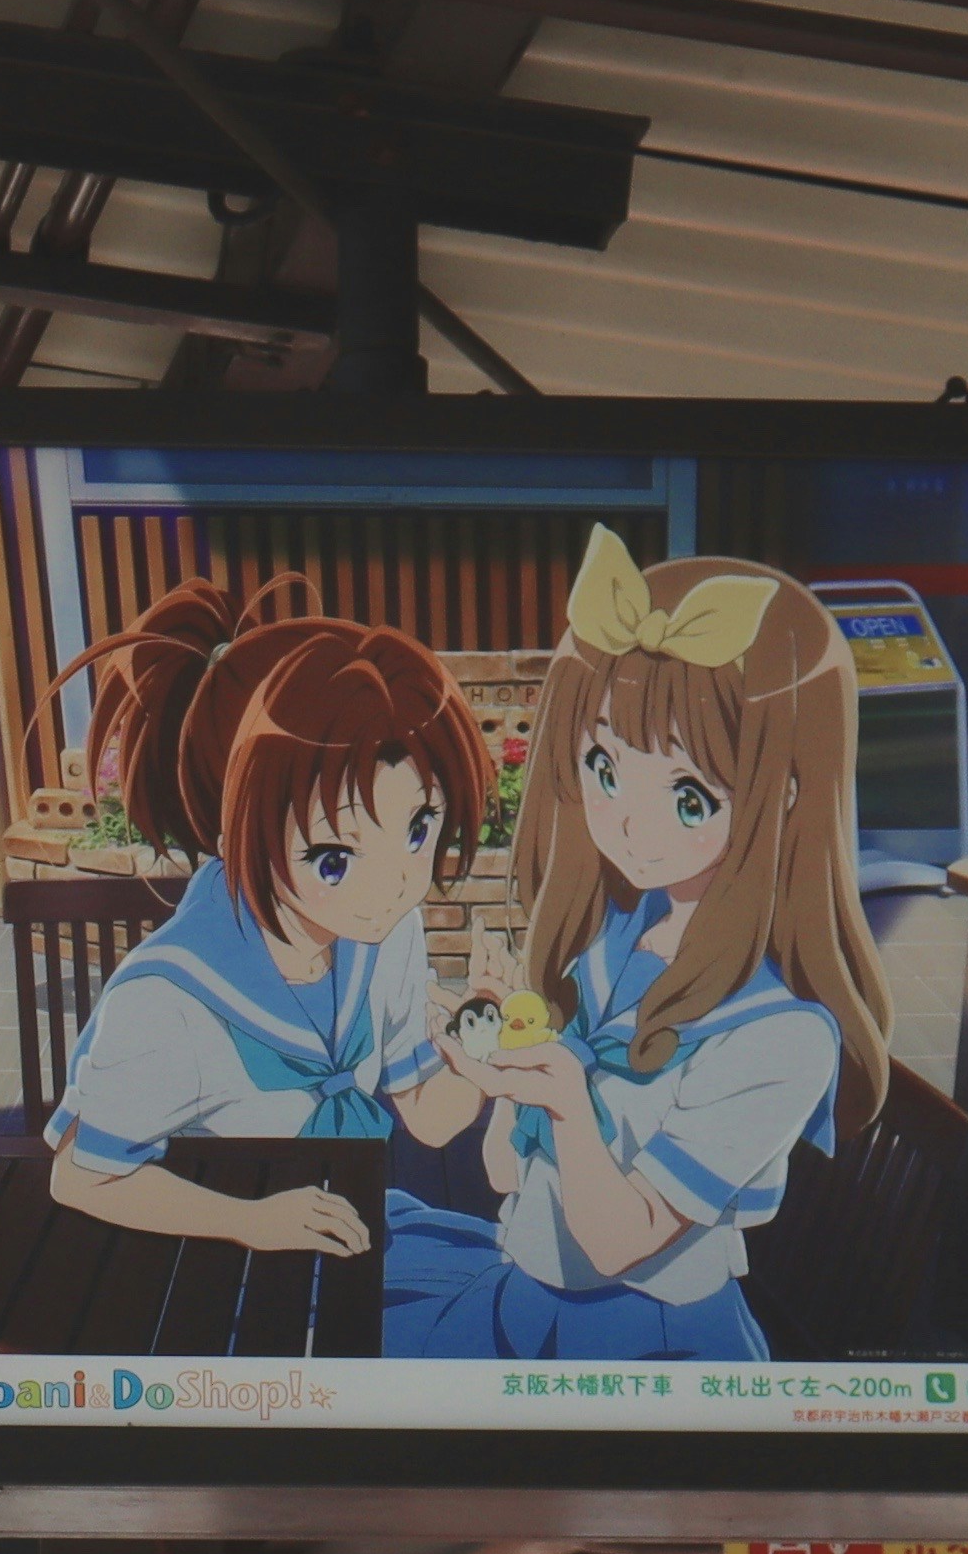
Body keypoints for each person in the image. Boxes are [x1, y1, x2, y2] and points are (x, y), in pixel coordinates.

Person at [383, 527, 894, 1363]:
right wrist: (506, 1063)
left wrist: (564, 1097)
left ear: (785, 797)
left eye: (689, 796)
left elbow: (624, 1244)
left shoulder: (782, 1037)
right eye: (603, 766)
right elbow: (507, 1178)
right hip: (527, 1299)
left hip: (651, 1351)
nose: (626, 820)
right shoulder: (615, 937)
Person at [35, 573, 500, 1262]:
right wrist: (248, 1221)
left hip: (372, 1240)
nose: (398, 882)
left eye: (418, 826)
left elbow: (428, 1117)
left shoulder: (387, 932)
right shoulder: (169, 1000)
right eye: (335, 858)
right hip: (234, 1283)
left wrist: (488, 1030)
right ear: (237, 833)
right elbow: (78, 1175)